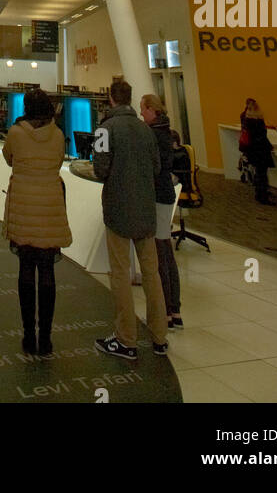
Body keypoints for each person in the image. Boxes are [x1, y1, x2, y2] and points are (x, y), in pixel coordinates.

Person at [91, 80, 169, 360]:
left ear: (111, 98)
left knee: (121, 273)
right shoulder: (145, 131)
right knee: (151, 272)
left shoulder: (104, 129)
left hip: (119, 211)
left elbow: (101, 170)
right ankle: (159, 336)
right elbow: (156, 166)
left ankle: (126, 338)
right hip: (145, 211)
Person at [2, 88, 71, 357]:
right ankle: (47, 337)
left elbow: (9, 158)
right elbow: (58, 162)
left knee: (25, 271)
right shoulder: (57, 135)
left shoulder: (16, 133)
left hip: (23, 209)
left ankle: (28, 335)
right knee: (48, 273)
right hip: (50, 208)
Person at [140, 93, 182, 329]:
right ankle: (174, 309)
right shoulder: (166, 131)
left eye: (143, 110)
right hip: (165, 194)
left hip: (157, 195)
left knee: (159, 253)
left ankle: (165, 310)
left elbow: (153, 166)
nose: (141, 114)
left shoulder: (153, 134)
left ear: (151, 110)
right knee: (165, 249)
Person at [240, 97, 274, 205]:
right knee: (262, 173)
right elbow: (262, 135)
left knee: (259, 172)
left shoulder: (245, 118)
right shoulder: (257, 120)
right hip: (261, 150)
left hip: (252, 150)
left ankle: (259, 193)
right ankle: (262, 195)